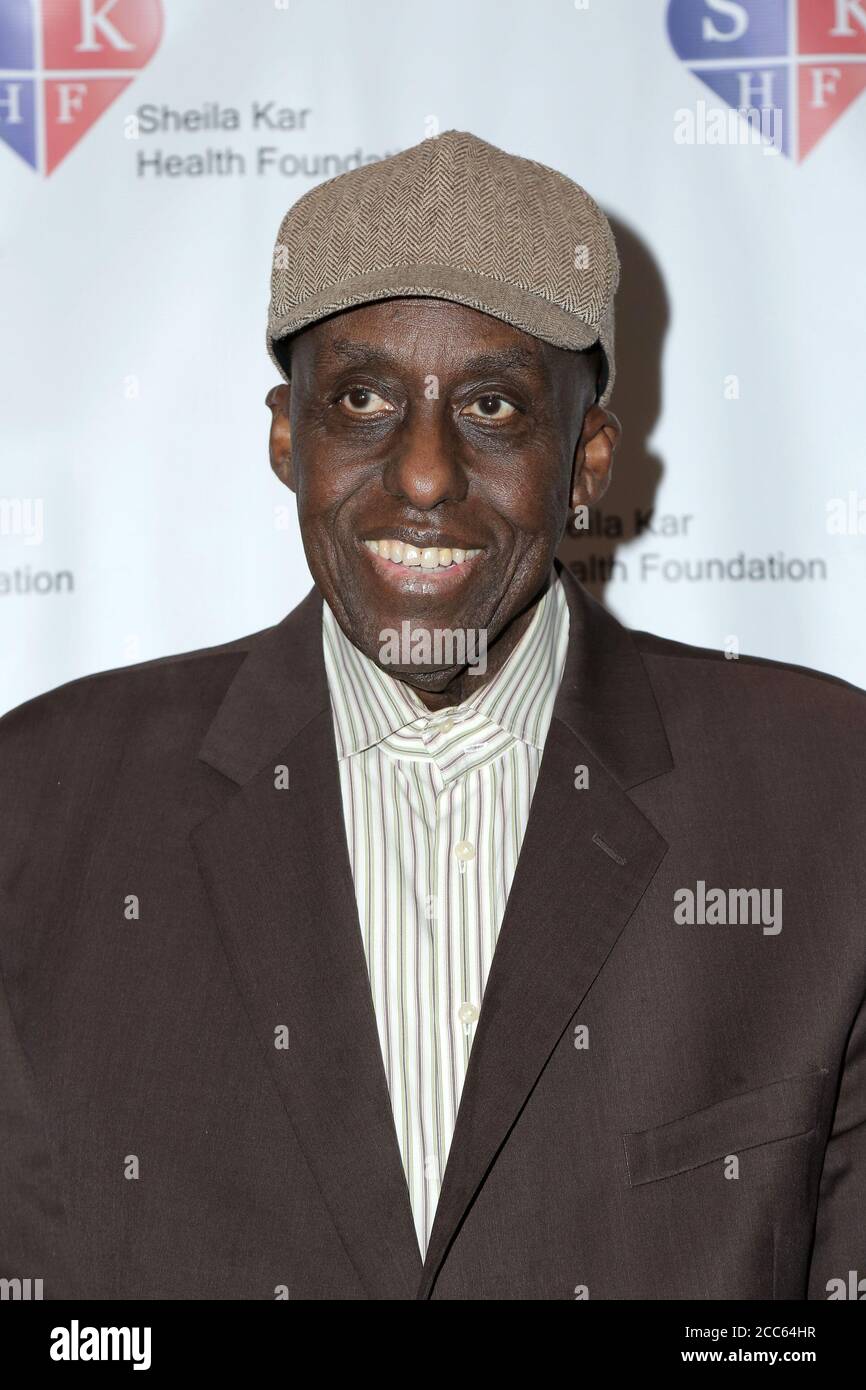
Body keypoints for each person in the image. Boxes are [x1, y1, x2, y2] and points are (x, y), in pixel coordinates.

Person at [1, 130, 863, 1301]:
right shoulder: (41, 804)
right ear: (282, 434)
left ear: (586, 460)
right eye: (360, 397)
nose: (420, 474)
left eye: (495, 405)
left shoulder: (823, 798)